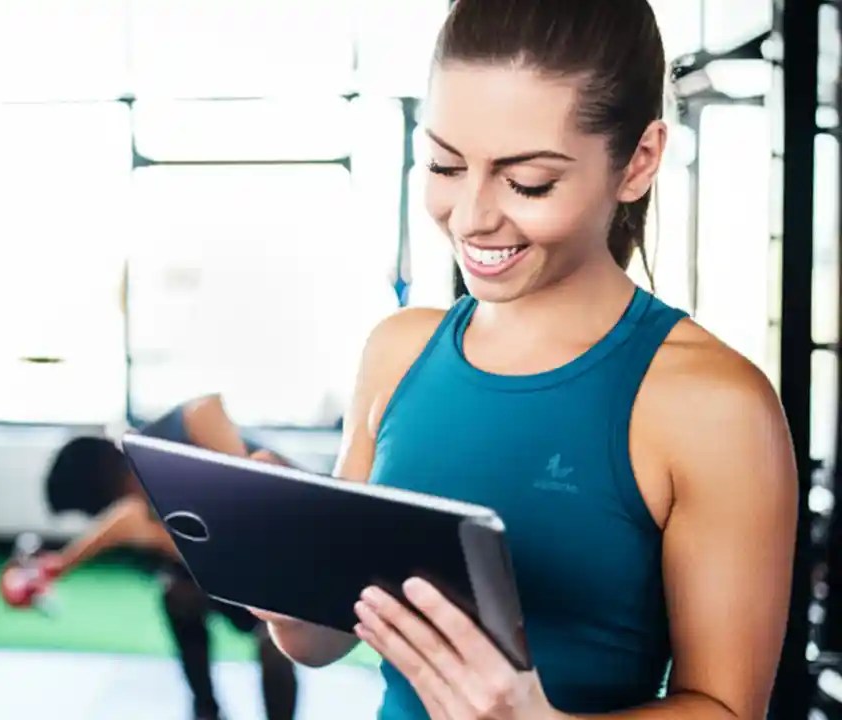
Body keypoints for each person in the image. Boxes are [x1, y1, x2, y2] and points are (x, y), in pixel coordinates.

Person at [246, 2, 798, 719]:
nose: (472, 216)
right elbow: (326, 636)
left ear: (639, 161)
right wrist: (283, 577)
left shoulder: (714, 405)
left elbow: (728, 708)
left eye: (528, 181)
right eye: (445, 164)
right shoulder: (398, 351)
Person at [38, 393, 298, 720]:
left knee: (273, 641)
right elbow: (125, 524)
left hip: (288, 561)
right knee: (177, 594)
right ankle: (206, 710)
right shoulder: (140, 494)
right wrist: (60, 565)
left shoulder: (167, 442)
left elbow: (206, 406)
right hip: (240, 572)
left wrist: (242, 478)